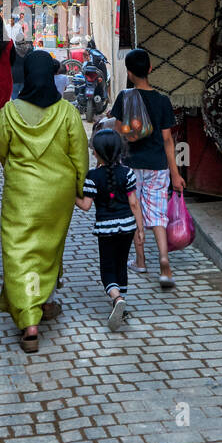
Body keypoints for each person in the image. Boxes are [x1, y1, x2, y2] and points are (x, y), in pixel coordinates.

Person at [0, 51, 88, 352]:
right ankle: (41, 302)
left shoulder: (9, 112)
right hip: (57, 196)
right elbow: (80, 156)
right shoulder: (67, 112)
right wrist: (79, 189)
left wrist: (17, 168)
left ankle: (30, 320)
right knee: (47, 248)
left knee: (20, 251)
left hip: (22, 193)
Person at [109, 48, 184, 289]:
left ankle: (140, 261)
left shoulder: (124, 97)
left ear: (129, 74)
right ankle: (164, 262)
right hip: (157, 167)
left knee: (135, 212)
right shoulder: (162, 101)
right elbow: (168, 140)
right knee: (158, 215)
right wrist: (175, 173)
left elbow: (119, 132)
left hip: (130, 164)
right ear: (150, 69)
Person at [76, 129, 139, 331]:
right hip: (128, 226)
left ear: (96, 153)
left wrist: (69, 194)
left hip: (106, 229)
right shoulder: (128, 173)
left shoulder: (93, 176)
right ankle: (122, 302)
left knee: (107, 267)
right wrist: (140, 228)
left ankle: (117, 298)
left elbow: (85, 205)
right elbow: (134, 203)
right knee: (121, 264)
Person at [9, 30, 32, 101]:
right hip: (26, 75)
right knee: (25, 95)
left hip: (14, 75)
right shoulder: (29, 50)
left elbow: (10, 62)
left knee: (14, 94)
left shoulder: (13, 50)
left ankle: (16, 108)